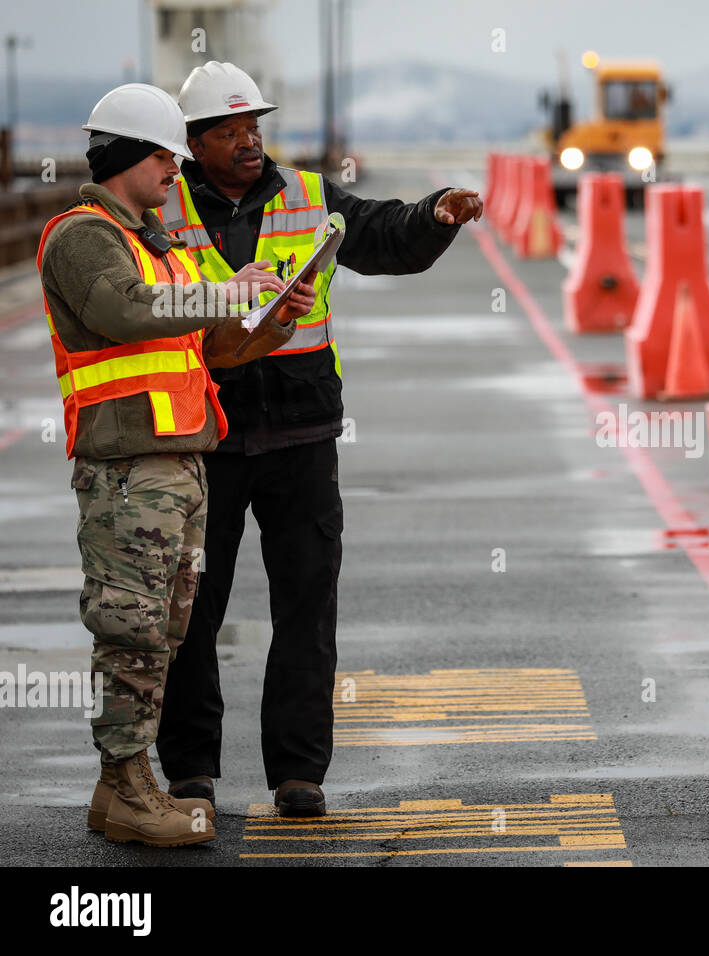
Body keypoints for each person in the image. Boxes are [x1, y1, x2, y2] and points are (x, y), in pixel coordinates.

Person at [155, 61, 483, 817]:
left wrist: (434, 214)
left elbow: (378, 232)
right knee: (193, 610)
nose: (249, 143)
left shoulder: (307, 196)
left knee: (305, 607)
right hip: (204, 435)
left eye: (255, 129)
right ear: (193, 144)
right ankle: (190, 772)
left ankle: (299, 774)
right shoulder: (162, 211)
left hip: (301, 437)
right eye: (230, 132)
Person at [37, 83, 315, 847]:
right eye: (167, 156)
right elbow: (122, 313)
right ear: (129, 155)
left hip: (180, 461)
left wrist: (263, 318)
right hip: (127, 466)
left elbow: (206, 350)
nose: (176, 170)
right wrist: (224, 291)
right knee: (129, 626)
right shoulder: (82, 236)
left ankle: (129, 785)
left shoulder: (154, 242)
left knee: (165, 629)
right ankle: (125, 784)